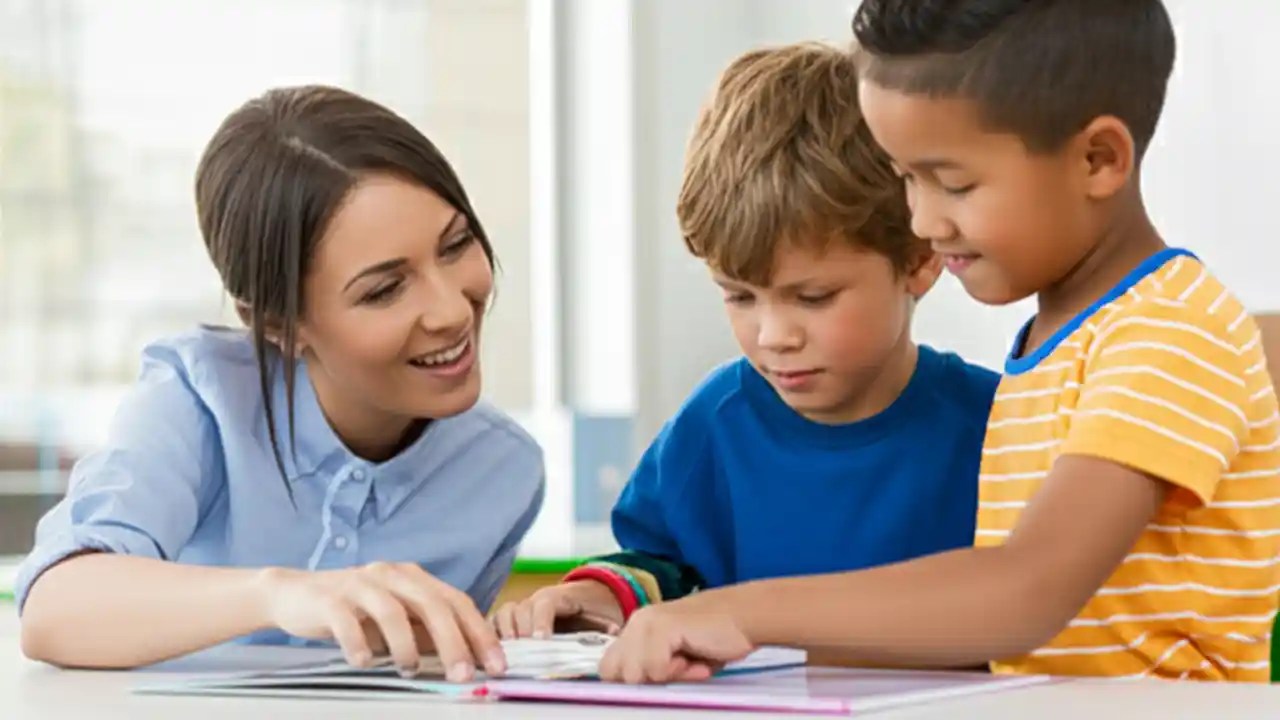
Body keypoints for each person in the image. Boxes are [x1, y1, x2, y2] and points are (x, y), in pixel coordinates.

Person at [596, 0, 1280, 684]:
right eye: (906, 181)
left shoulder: (1168, 332)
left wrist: (741, 613)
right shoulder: (1067, 340)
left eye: (952, 184)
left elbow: (1026, 591)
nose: (923, 219)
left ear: (1098, 160)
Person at [17, 86, 544, 683]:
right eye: (383, 290)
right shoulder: (200, 399)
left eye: (455, 245)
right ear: (277, 324)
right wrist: (280, 595)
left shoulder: (503, 471)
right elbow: (54, 609)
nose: (451, 310)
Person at [492, 43, 997, 652]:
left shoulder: (998, 424)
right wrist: (594, 600)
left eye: (812, 297)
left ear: (919, 261)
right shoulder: (715, 422)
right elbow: (663, 567)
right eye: (738, 296)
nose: (772, 335)